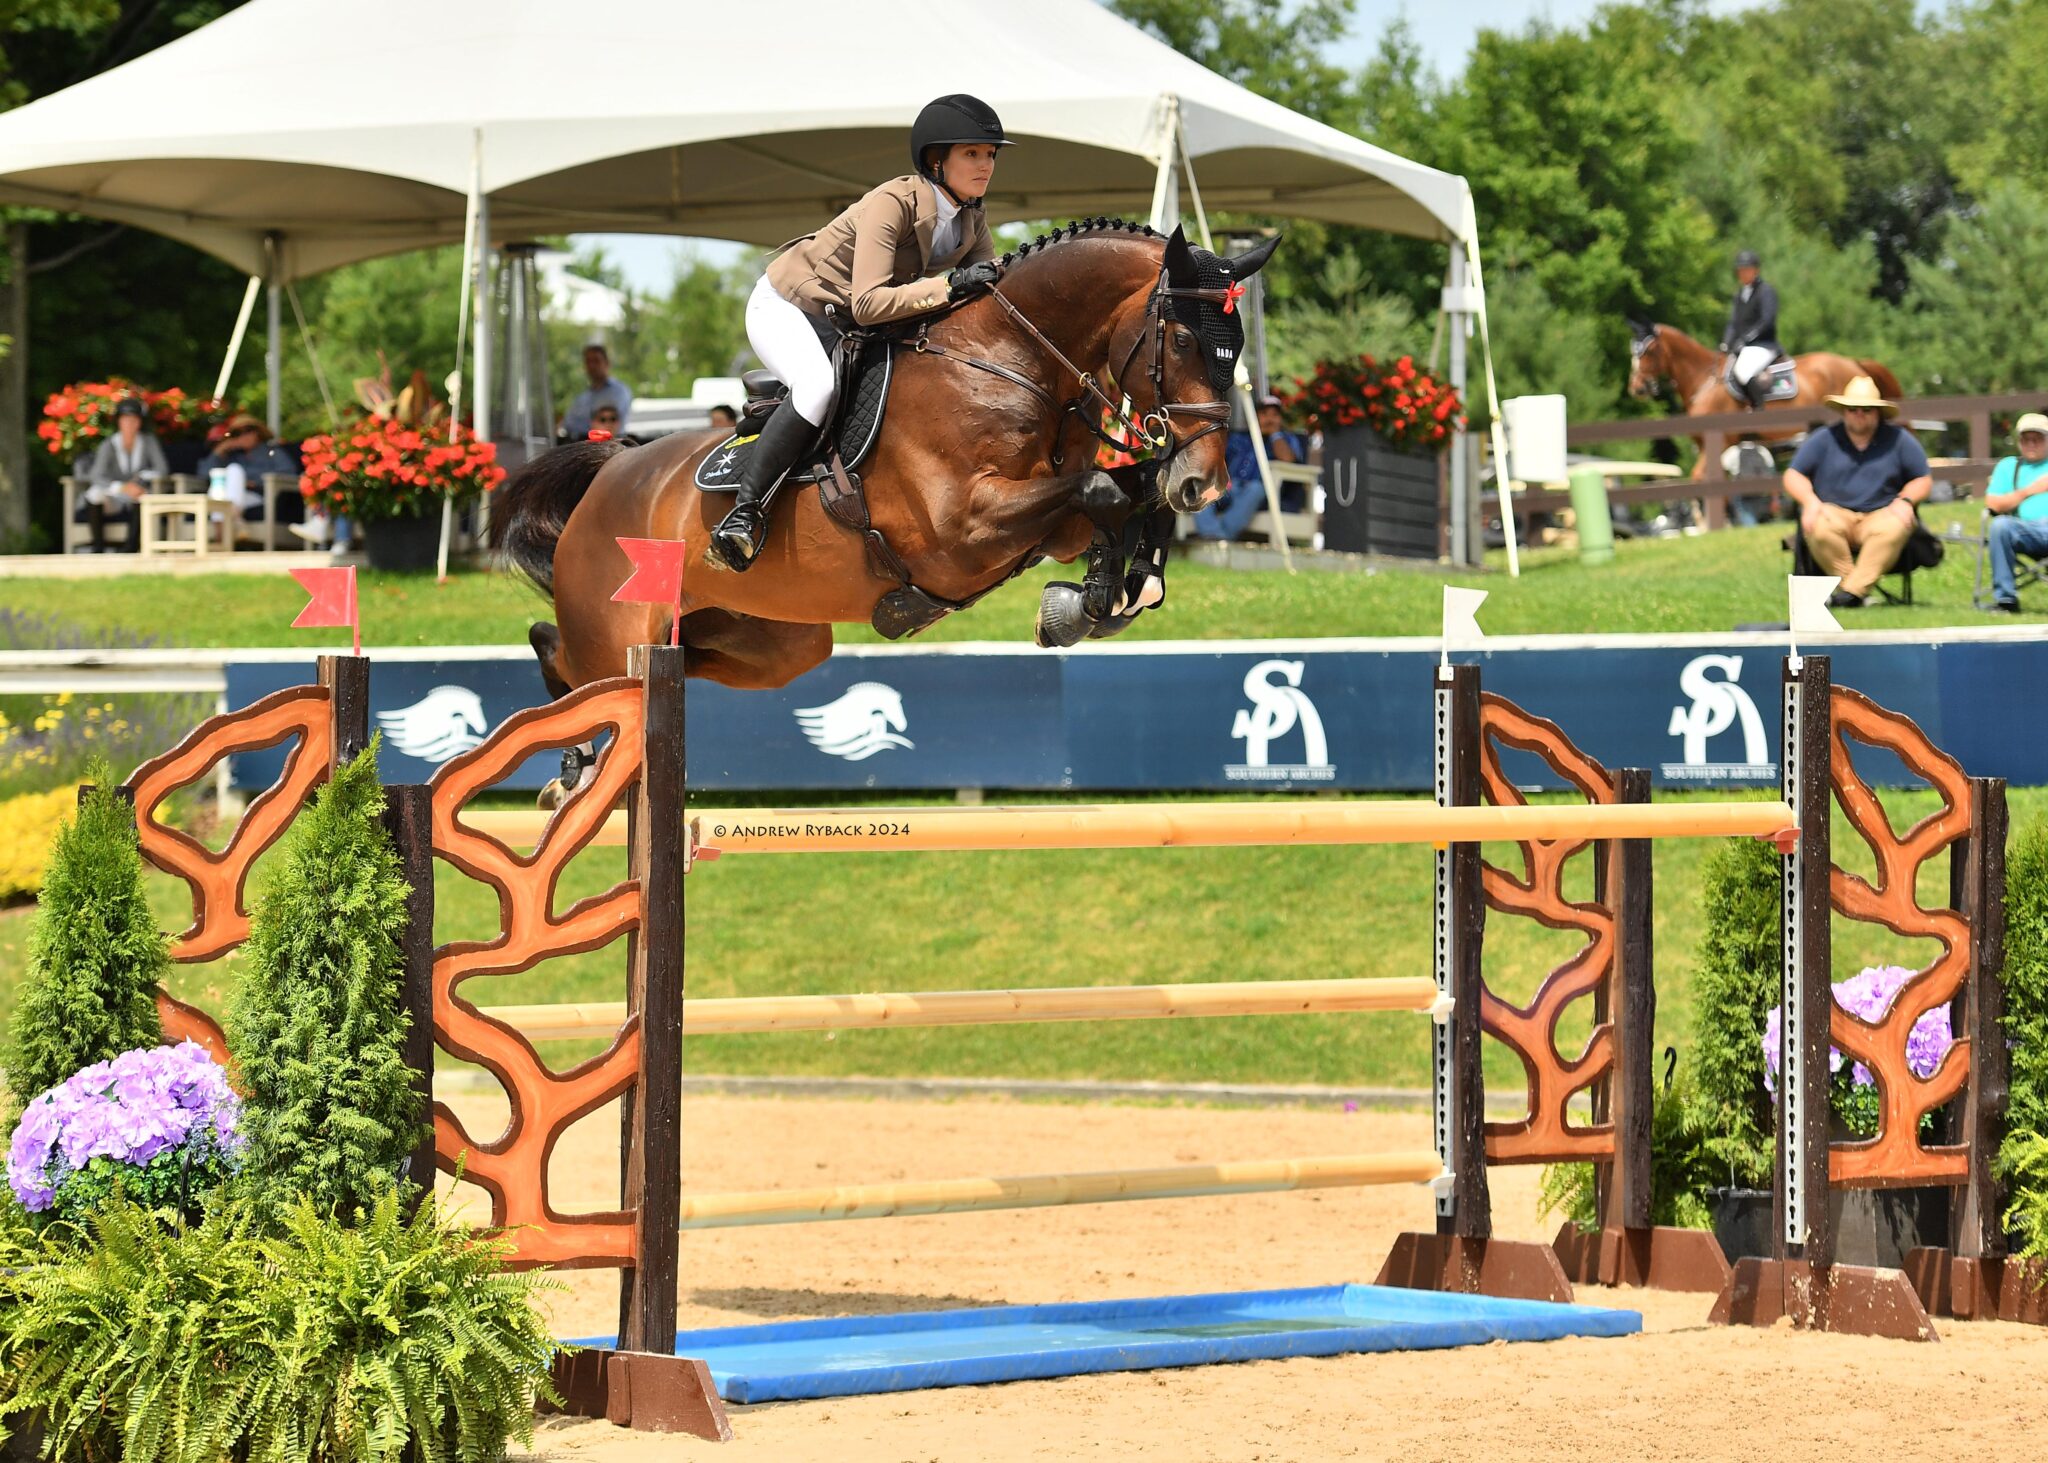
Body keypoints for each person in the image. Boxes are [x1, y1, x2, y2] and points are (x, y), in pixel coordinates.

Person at [710, 93, 1008, 571]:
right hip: (791, 307)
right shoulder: (892, 202)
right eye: (971, 153)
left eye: (990, 154)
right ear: (936, 160)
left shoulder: (971, 217)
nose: (985, 165)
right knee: (816, 387)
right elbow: (869, 303)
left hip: (846, 324)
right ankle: (743, 515)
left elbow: (987, 289)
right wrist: (949, 285)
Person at [1781, 375, 1931, 608]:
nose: (1859, 413)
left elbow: (1922, 478)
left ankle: (1850, 594)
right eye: (1853, 409)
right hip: (1834, 514)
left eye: (1867, 409)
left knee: (1898, 524)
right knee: (1817, 522)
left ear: (1878, 412)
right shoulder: (1823, 439)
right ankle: (1855, 592)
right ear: (1843, 411)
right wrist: (1810, 502)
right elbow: (1793, 475)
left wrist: (1906, 501)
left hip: (1881, 515)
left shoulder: (1899, 439)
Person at [1193, 394, 1306, 541]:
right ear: (1256, 416)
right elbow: (1219, 459)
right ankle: (1214, 534)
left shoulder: (1288, 439)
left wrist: (1275, 434)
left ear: (1280, 419)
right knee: (1203, 487)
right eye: (1264, 414)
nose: (1270, 419)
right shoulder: (1239, 437)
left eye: (1275, 415)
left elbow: (1288, 459)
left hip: (1262, 492)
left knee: (1255, 489)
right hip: (1230, 486)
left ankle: (1217, 538)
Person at [197, 413, 305, 544]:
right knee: (220, 486)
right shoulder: (232, 456)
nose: (243, 436)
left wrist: (254, 482)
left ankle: (222, 538)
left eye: (247, 431)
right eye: (238, 433)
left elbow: (289, 472)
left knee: (232, 472)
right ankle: (235, 521)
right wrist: (220, 450)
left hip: (261, 495)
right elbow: (205, 474)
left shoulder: (272, 452)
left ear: (257, 433)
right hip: (237, 496)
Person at [78, 396, 167, 552]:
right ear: (119, 421)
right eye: (125, 419)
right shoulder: (109, 444)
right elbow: (96, 475)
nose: (130, 424)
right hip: (113, 495)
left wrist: (140, 479)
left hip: (138, 492)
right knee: (94, 494)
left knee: (144, 496)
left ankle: (131, 546)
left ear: (140, 422)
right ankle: (98, 546)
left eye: (134, 419)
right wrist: (121, 487)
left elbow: (162, 469)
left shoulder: (148, 442)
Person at [1981, 412, 2048, 613]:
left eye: (2038, 439)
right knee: (2000, 525)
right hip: (2026, 530)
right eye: (2026, 439)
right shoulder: (2008, 467)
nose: (2031, 444)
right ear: (2019, 442)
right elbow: (1993, 504)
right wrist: (2030, 491)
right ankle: (2006, 600)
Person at [1719, 248, 1781, 410]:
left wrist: (1746, 339)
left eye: (1746, 270)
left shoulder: (1766, 291)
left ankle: (1759, 410)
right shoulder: (1739, 295)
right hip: (1743, 347)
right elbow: (1733, 323)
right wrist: (1725, 343)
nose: (1743, 274)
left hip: (1763, 345)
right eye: (1740, 270)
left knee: (1742, 371)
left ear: (1756, 270)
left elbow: (1766, 321)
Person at [561, 343, 633, 440]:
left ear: (607, 363)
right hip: (583, 446)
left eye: (596, 361)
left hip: (610, 446)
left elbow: (606, 423)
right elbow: (567, 423)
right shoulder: (583, 396)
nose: (592, 366)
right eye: (588, 361)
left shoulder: (619, 391)